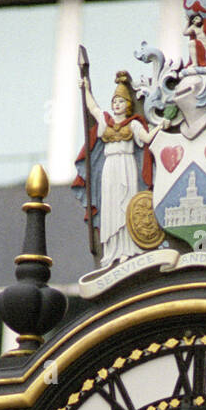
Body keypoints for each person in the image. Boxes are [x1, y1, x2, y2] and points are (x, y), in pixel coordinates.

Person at [74, 71, 163, 268]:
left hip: (126, 165)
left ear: (127, 105)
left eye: (121, 102)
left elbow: (147, 139)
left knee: (126, 206)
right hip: (110, 168)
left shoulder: (132, 125)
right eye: (114, 101)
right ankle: (112, 250)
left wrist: (160, 127)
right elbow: (92, 107)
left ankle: (128, 250)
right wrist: (86, 88)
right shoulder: (105, 122)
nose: (116, 105)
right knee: (111, 207)